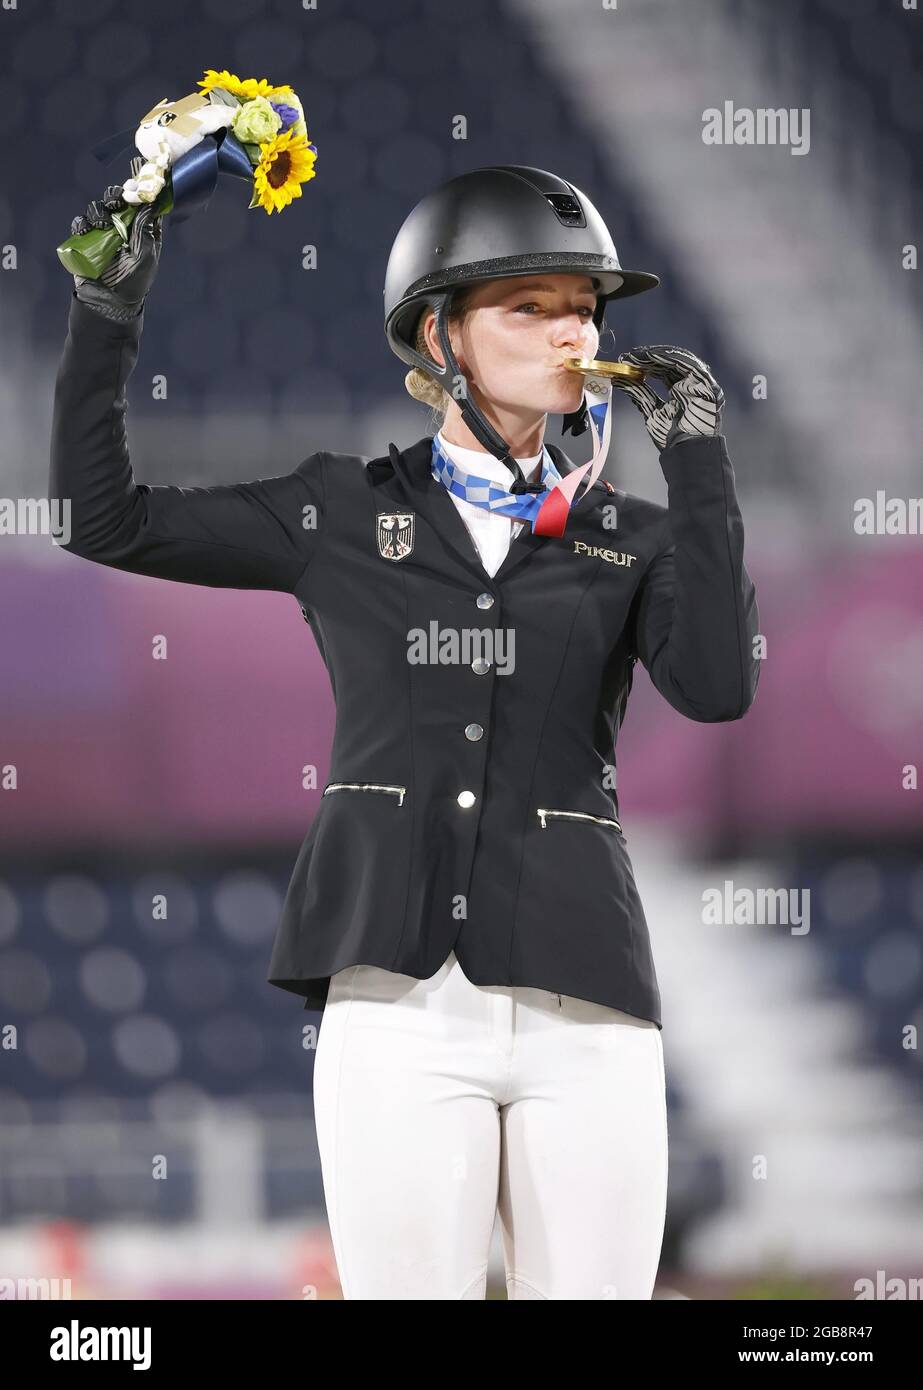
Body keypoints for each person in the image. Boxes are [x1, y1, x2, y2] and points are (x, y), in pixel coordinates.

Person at [50, 163, 760, 1300]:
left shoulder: (636, 532)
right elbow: (101, 516)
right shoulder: (339, 508)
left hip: (589, 1003)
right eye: (525, 305)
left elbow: (719, 687)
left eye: (580, 304)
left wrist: (699, 466)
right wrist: (106, 314)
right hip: (396, 1005)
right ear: (439, 335)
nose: (568, 328)